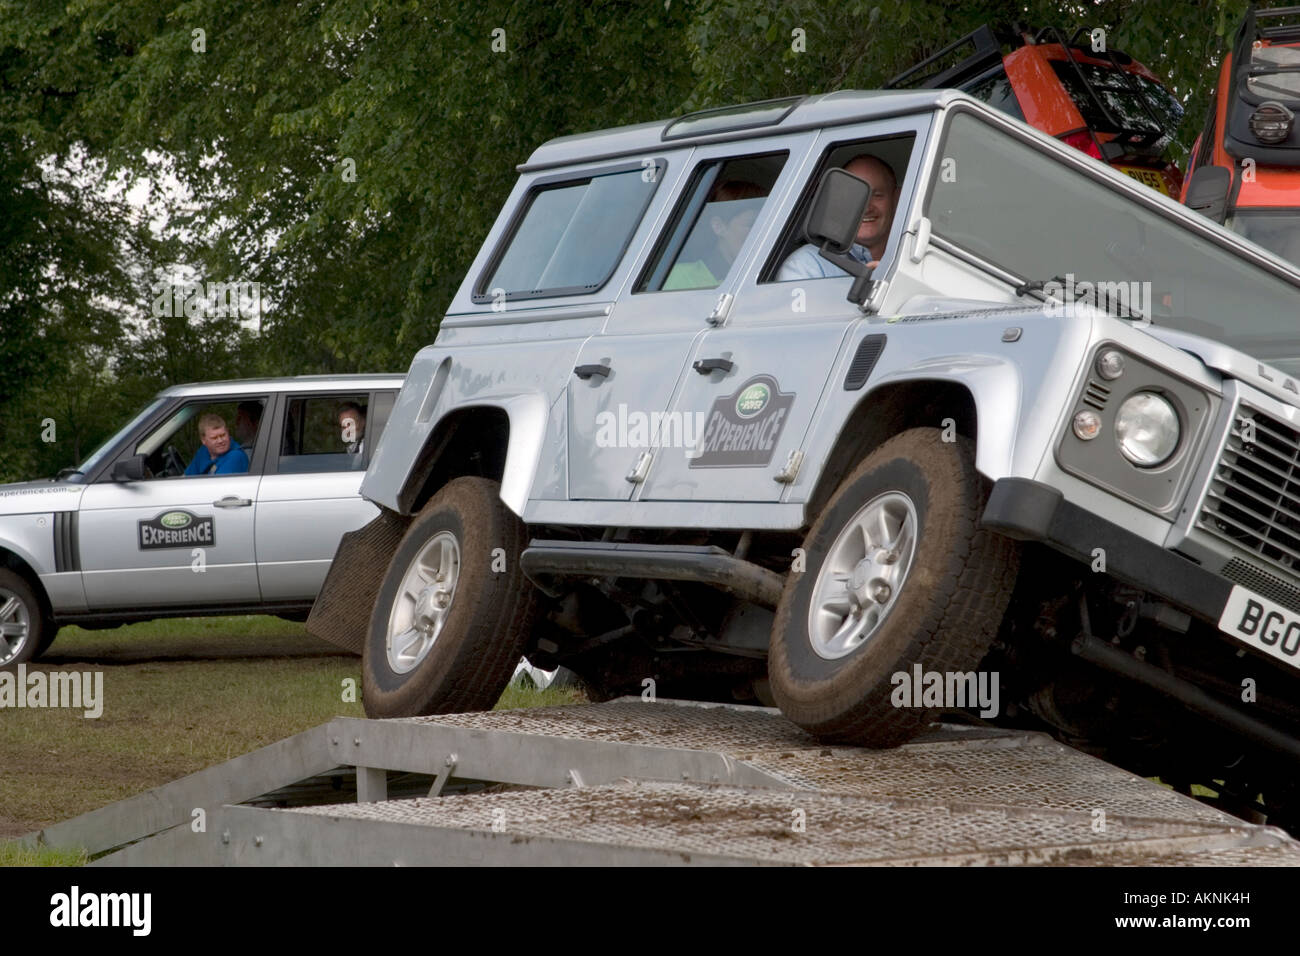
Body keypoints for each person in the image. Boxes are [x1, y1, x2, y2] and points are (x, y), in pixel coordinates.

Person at [777, 154, 900, 281]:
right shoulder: (807, 264)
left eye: (877, 195)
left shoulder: (915, 263)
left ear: (896, 198)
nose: (867, 208)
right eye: (854, 196)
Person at [663, 180, 768, 290]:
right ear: (719, 226)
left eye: (767, 225)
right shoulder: (679, 278)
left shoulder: (767, 278)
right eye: (752, 224)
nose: (763, 233)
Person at [184, 413, 250, 475]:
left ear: (227, 432)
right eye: (214, 438)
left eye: (223, 435)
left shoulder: (236, 456)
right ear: (203, 440)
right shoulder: (204, 451)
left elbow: (216, 486)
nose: (220, 441)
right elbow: (185, 478)